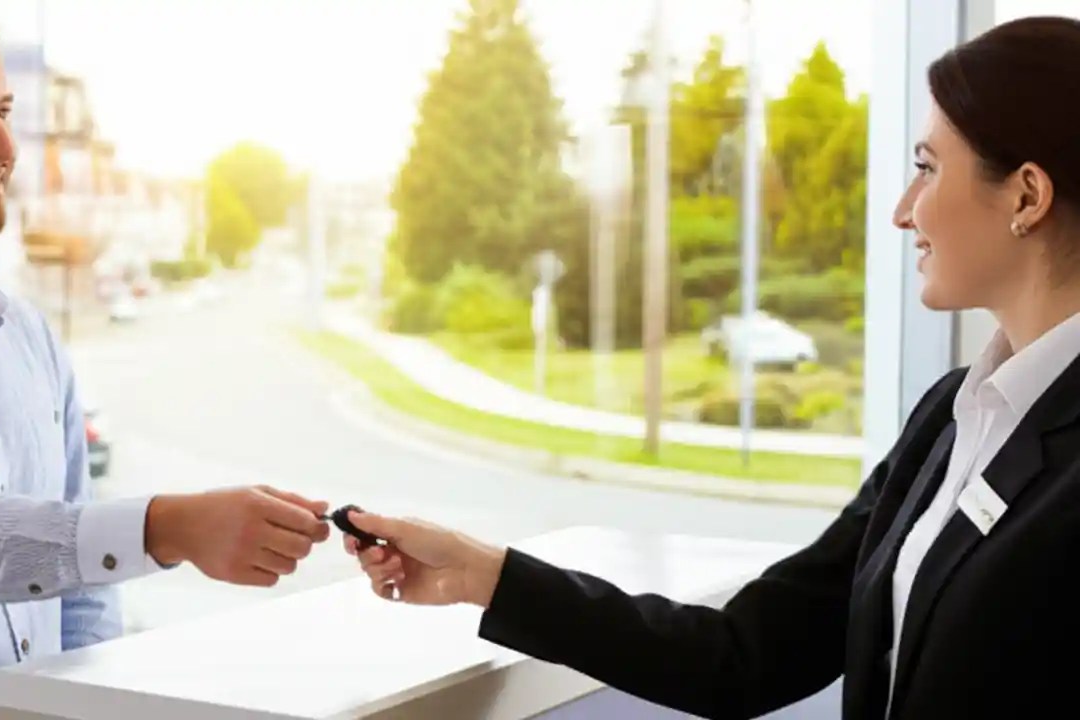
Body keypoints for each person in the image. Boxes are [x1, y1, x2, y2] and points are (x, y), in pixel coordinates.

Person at [346, 15, 1080, 720]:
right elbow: (745, 654)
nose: (902, 211)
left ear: (1025, 195)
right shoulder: (953, 418)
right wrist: (484, 572)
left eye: (926, 168)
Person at [0, 2, 331, 718]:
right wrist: (167, 526)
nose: (1, 145)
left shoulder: (28, 337)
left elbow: (79, 590)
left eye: (4, 110)